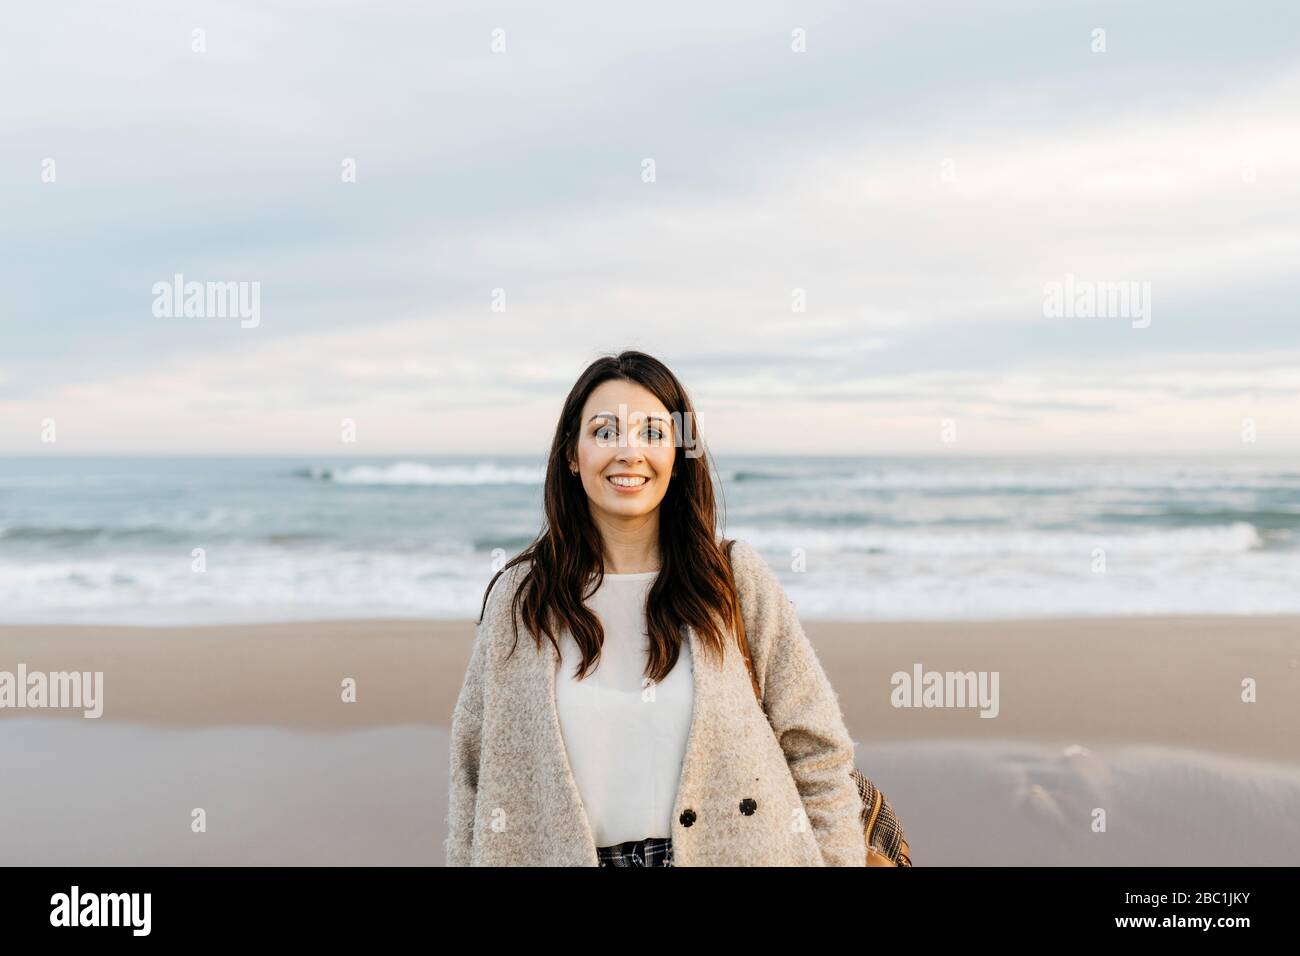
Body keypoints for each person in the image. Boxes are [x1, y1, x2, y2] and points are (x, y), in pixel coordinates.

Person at [445, 350, 866, 866]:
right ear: (572, 455)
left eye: (651, 433)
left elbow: (817, 748)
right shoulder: (521, 600)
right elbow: (473, 773)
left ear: (678, 453)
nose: (629, 453)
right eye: (604, 432)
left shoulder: (732, 581)